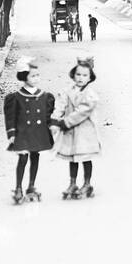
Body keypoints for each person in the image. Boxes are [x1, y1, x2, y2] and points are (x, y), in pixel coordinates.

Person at [4, 58, 55, 203]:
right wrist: (12, 133)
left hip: (37, 132)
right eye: (33, 76)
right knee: (23, 158)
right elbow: (11, 117)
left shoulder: (44, 96)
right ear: (24, 76)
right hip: (22, 133)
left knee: (35, 156)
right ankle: (18, 187)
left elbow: (47, 115)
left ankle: (31, 185)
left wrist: (52, 127)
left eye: (38, 75)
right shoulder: (16, 97)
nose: (36, 78)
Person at [52, 56, 101, 199]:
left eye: (84, 75)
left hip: (85, 131)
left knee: (85, 157)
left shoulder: (90, 95)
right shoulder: (68, 91)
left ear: (90, 77)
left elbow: (82, 111)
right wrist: (55, 119)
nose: (80, 78)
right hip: (71, 132)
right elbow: (61, 104)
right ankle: (72, 182)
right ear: (73, 75)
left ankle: (87, 183)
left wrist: (66, 122)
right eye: (78, 74)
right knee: (72, 158)